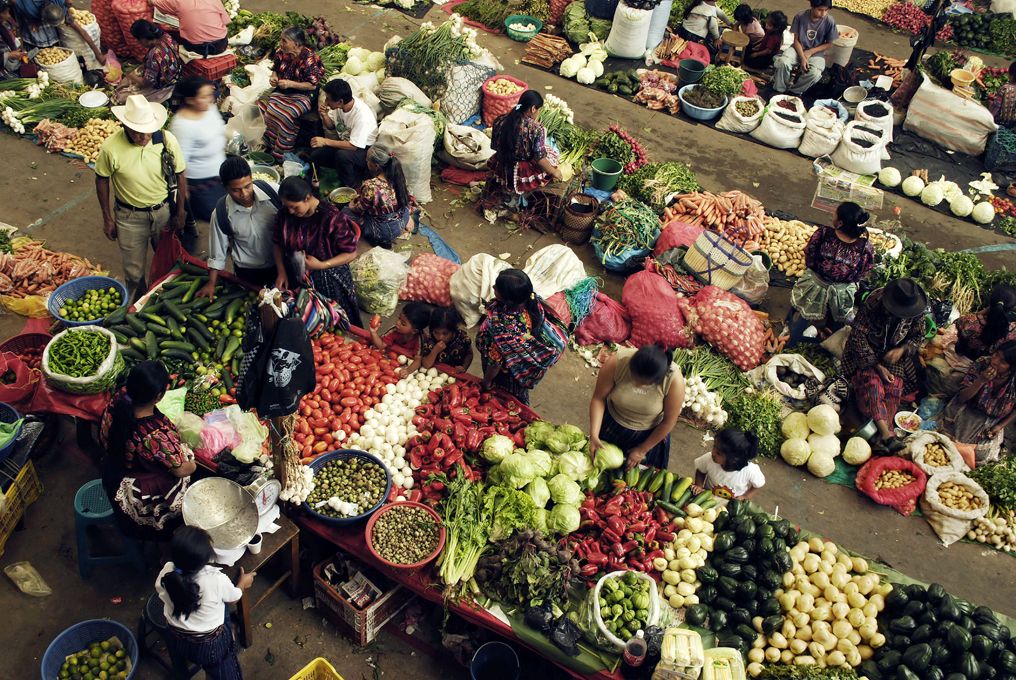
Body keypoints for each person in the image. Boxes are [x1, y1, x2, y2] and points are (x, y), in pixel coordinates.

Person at [95, 94, 188, 301]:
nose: (144, 137)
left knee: (168, 262)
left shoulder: (166, 140)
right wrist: (107, 218)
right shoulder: (111, 148)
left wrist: (181, 211)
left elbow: (181, 174)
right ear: (125, 126)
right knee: (134, 272)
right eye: (138, 132)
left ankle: (165, 301)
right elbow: (101, 179)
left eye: (147, 131)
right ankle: (138, 304)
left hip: (163, 211)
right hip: (129, 217)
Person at [98, 361, 196, 540]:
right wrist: (193, 464)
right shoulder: (155, 435)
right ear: (158, 396)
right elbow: (180, 469)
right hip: (140, 482)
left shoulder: (119, 398)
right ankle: (161, 537)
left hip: (114, 464)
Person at [156, 525, 253, 679]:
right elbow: (234, 598)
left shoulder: (166, 572)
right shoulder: (215, 579)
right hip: (210, 646)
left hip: (176, 636)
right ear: (204, 560)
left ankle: (183, 671)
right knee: (224, 672)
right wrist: (243, 583)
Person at [841, 278, 928, 445]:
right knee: (872, 385)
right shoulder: (874, 302)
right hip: (865, 353)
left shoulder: (916, 310)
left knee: (894, 387)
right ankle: (886, 434)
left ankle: (883, 430)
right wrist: (877, 366)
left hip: (892, 356)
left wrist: (901, 350)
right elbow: (857, 336)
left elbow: (918, 337)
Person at [272, 175, 361, 327]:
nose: (291, 211)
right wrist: (281, 271)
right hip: (297, 275)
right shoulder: (284, 215)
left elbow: (351, 252)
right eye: (287, 206)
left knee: (335, 322)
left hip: (329, 277)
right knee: (306, 321)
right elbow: (277, 243)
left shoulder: (332, 217)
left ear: (307, 198)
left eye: (295, 206)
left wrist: (321, 265)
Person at [477, 269, 568, 405]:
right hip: (517, 367)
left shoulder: (503, 328)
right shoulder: (530, 301)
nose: (493, 287)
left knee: (505, 401)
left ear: (508, 298)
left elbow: (495, 362)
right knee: (516, 397)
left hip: (507, 374)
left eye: (497, 288)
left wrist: (487, 380)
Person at [588, 345, 685, 471]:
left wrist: (642, 450)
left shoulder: (673, 381)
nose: (637, 385)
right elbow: (598, 399)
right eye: (634, 378)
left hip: (649, 434)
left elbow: (668, 422)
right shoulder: (618, 362)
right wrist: (594, 435)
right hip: (612, 423)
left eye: (644, 383)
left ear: (657, 379)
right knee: (600, 470)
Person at [789, 202, 875, 342]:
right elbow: (864, 270)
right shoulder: (865, 247)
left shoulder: (823, 234)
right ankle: (832, 335)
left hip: (814, 286)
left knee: (811, 298)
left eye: (834, 214)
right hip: (842, 292)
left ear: (840, 223)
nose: (832, 215)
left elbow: (809, 255)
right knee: (841, 314)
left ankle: (798, 335)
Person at [198, 155, 281, 297]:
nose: (244, 194)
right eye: (236, 190)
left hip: (280, 266)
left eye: (247, 186)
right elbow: (217, 253)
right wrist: (211, 283)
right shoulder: (221, 213)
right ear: (225, 188)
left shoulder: (274, 192)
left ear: (252, 178)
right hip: (248, 272)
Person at [169, 76, 226, 258]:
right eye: (203, 97)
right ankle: (189, 256)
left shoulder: (209, 107)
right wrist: (183, 197)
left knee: (225, 216)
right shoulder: (182, 125)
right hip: (200, 184)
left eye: (209, 95)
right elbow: (179, 165)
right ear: (190, 100)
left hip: (220, 175)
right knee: (216, 218)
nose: (209, 99)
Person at [941, 341, 1016, 466]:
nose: (995, 361)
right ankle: (965, 448)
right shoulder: (982, 363)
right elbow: (961, 398)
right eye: (996, 355)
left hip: (992, 421)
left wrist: (1000, 426)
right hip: (969, 409)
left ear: (1012, 367)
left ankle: (966, 449)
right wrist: (981, 381)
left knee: (981, 456)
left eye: (1003, 361)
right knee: (948, 442)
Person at [260, 27, 324, 162]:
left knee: (286, 116)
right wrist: (274, 77)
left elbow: (312, 84)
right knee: (268, 110)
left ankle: (282, 152)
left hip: (304, 94)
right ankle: (271, 144)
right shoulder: (281, 53)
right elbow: (275, 69)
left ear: (297, 44)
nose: (280, 44)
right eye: (281, 40)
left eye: (284, 41)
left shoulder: (309, 58)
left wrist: (291, 84)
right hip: (283, 90)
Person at [489, 90, 563, 204]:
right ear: (533, 109)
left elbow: (494, 146)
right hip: (520, 170)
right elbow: (540, 159)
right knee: (550, 159)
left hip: (500, 163)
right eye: (539, 110)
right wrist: (554, 172)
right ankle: (520, 192)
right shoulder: (537, 129)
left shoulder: (500, 120)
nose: (538, 113)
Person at [311, 78, 378, 189]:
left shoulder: (361, 115)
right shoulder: (339, 107)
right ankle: (319, 180)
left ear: (340, 101)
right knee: (316, 155)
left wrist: (325, 141)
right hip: (346, 143)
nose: (326, 102)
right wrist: (324, 115)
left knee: (342, 156)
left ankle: (351, 187)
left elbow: (353, 146)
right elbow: (331, 126)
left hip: (364, 150)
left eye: (328, 99)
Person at [343, 145, 414, 249]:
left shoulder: (370, 186)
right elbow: (405, 198)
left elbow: (360, 209)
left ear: (376, 166)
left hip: (385, 230)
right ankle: (407, 220)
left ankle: (379, 237)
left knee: (345, 212)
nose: (366, 162)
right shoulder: (398, 175)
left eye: (367, 160)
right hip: (401, 220)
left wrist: (351, 205)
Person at [773, 0, 838, 96]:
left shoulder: (829, 21)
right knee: (783, 62)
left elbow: (829, 44)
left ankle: (794, 91)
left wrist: (811, 52)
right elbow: (796, 41)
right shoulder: (800, 16)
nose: (823, 14)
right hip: (797, 48)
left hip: (816, 53)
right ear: (812, 6)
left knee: (815, 73)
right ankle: (780, 89)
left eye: (826, 10)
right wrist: (803, 57)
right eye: (820, 10)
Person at [693, 429, 766, 500]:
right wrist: (699, 486)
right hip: (707, 498)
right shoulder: (709, 458)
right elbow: (700, 471)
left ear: (734, 459)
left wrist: (745, 497)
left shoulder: (750, 470)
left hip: (731, 504)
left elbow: (758, 485)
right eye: (714, 446)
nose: (713, 453)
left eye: (719, 453)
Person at [124, 19, 181, 103]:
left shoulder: (154, 56)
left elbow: (146, 83)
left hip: (165, 84)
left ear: (143, 39)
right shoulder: (166, 36)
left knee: (122, 96)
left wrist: (131, 75)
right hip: (175, 74)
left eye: (138, 40)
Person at [149, 0, 229, 57]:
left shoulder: (176, 1)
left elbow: (151, 2)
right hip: (221, 45)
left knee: (166, 32)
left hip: (196, 48)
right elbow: (225, 21)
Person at [421, 306, 473, 372]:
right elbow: (426, 365)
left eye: (445, 333)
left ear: (453, 330)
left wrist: (464, 367)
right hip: (435, 372)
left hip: (455, 373)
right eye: (436, 332)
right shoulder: (431, 340)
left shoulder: (463, 339)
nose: (440, 337)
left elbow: (469, 354)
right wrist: (435, 351)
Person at [990, 62, 1016, 127]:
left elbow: (995, 108)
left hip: (1000, 123)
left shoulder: (1005, 88)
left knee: (989, 101)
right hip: (1013, 125)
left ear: (1012, 75)